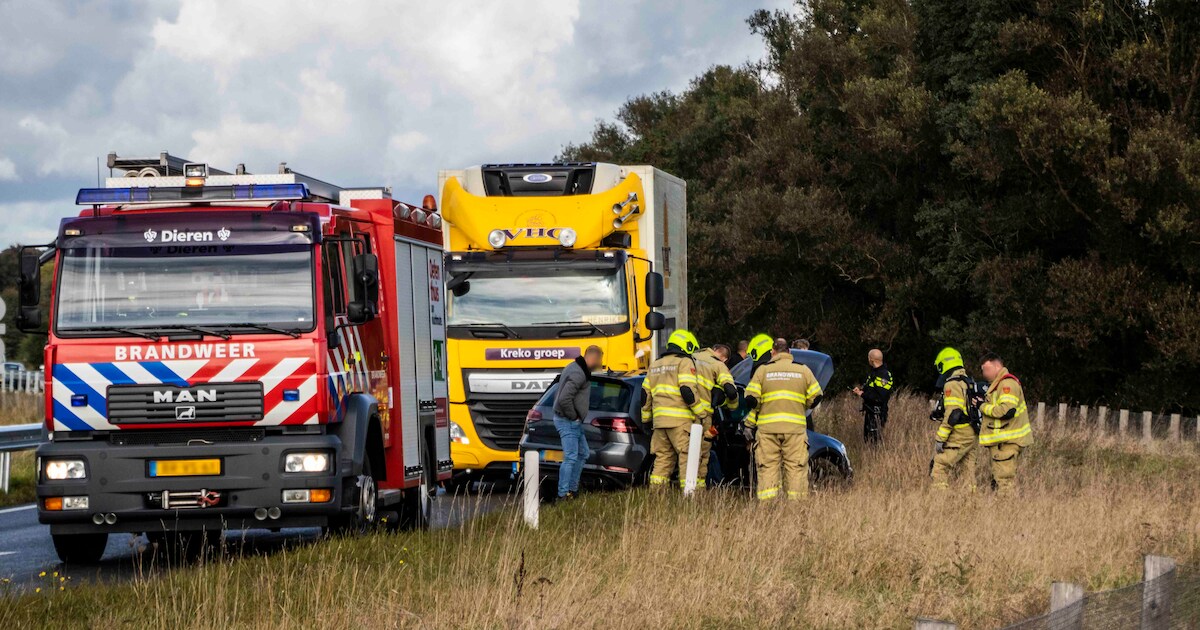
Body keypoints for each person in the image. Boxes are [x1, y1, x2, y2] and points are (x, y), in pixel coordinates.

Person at [743, 336, 822, 501]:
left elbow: (751, 399)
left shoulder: (763, 370)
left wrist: (749, 424)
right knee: (796, 468)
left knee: (768, 468)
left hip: (767, 431)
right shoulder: (803, 370)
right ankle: (795, 508)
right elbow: (816, 396)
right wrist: (802, 405)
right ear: (789, 352)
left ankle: (768, 507)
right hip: (795, 431)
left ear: (773, 352)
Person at [643, 330, 706, 487]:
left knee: (663, 459)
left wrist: (646, 419)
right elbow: (687, 391)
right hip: (680, 422)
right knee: (688, 458)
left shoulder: (655, 364)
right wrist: (701, 413)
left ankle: (657, 496)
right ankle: (689, 497)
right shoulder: (684, 362)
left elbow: (644, 395)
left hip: (659, 423)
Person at [976, 352, 1033, 496]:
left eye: (986, 369)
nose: (984, 373)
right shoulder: (998, 385)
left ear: (996, 366)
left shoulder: (1007, 383)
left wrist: (982, 406)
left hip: (1007, 441)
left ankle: (1007, 511)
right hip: (1003, 441)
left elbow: (1007, 411)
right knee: (1000, 480)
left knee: (1005, 482)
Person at [551, 345, 603, 500]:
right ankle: (563, 495)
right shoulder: (578, 373)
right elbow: (564, 399)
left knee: (583, 453)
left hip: (570, 420)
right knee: (571, 457)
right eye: (599, 360)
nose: (599, 364)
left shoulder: (574, 367)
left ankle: (572, 490)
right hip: (567, 420)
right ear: (593, 358)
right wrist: (574, 416)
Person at [929, 347, 977, 491]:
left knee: (940, 465)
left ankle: (939, 502)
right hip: (972, 433)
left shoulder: (952, 384)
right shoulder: (968, 382)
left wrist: (940, 438)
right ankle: (971, 503)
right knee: (967, 470)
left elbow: (953, 414)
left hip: (959, 433)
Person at [692, 343, 740, 487]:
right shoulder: (717, 365)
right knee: (702, 455)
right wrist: (732, 407)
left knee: (683, 454)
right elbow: (731, 391)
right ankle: (698, 491)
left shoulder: (690, 358)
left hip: (683, 415)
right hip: (703, 416)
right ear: (724, 358)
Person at [852, 349, 893, 443]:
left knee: (875, 442)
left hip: (877, 413)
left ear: (871, 359)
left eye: (868, 357)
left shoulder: (883, 375)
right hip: (870, 411)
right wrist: (861, 391)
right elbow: (871, 389)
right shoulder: (874, 372)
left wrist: (863, 394)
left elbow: (880, 397)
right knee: (867, 440)